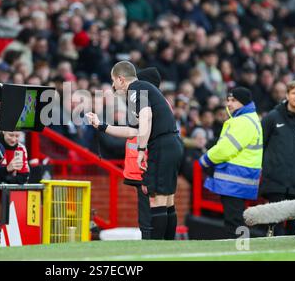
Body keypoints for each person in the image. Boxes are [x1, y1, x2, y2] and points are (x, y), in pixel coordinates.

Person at [86, 61, 184, 240]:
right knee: (168, 201)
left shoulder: (136, 89)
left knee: (156, 200)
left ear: (121, 79)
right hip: (172, 144)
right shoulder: (143, 90)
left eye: (113, 80)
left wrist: (141, 150)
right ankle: (170, 248)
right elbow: (133, 131)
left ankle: (157, 250)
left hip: (162, 146)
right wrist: (102, 126)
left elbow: (146, 117)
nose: (113, 85)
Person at [198, 87, 263, 238]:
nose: (229, 103)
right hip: (241, 175)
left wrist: (205, 159)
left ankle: (240, 250)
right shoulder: (248, 118)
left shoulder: (243, 121)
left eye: (234, 100)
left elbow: (226, 149)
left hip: (236, 176)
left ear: (244, 102)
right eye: (228, 100)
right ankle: (241, 249)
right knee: (236, 218)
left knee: (233, 220)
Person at [259, 80, 295, 235]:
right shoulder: (272, 117)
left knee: (293, 229)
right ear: (287, 95)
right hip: (275, 180)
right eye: (293, 93)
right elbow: (260, 143)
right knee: (274, 226)